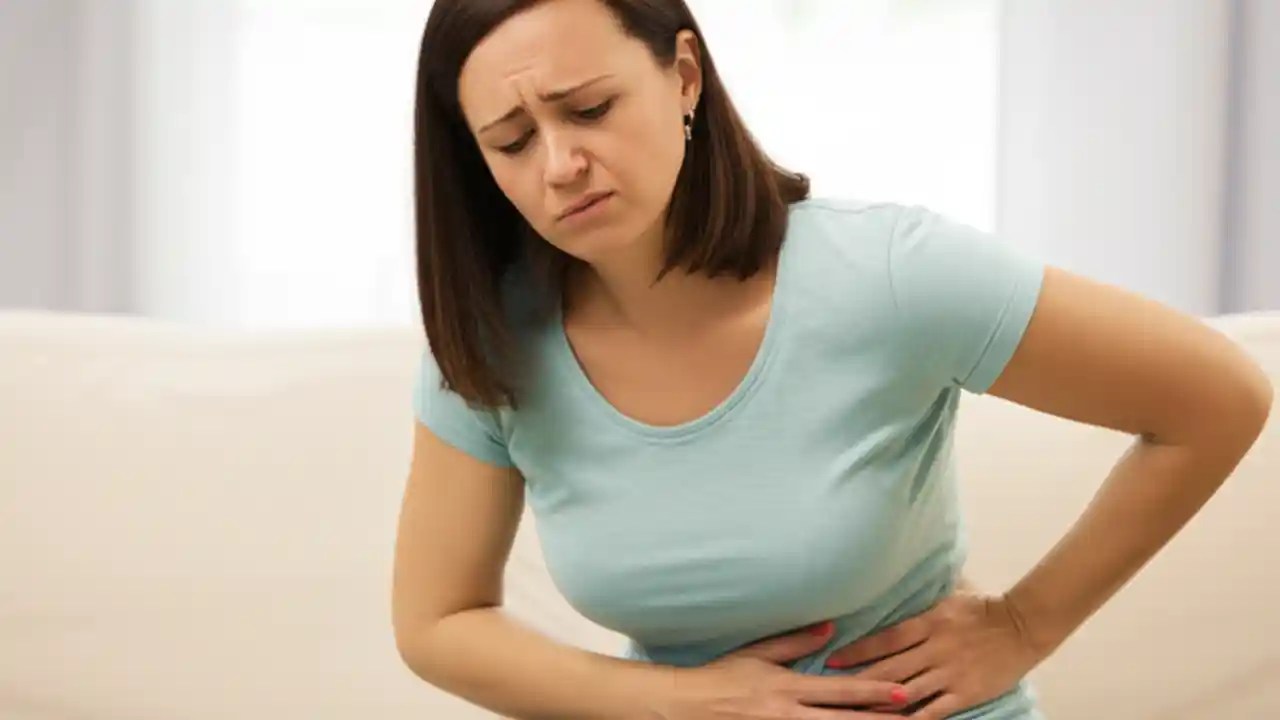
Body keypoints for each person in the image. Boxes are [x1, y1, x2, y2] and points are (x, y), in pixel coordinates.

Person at [390, 0, 1274, 718]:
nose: (561, 164)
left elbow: (1217, 397)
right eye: (511, 141)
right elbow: (437, 620)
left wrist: (1023, 624)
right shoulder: (491, 339)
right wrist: (672, 701)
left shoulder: (888, 275)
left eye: (590, 109)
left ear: (684, 77)